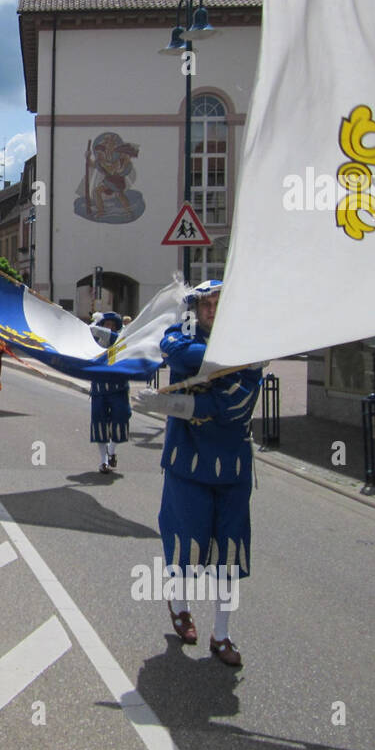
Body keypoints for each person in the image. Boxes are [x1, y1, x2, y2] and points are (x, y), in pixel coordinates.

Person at [134, 280, 262, 668]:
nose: (211, 311)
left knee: (230, 553)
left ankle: (221, 634)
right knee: (186, 545)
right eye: (206, 304)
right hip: (187, 464)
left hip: (232, 468)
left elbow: (236, 404)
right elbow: (177, 351)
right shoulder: (189, 338)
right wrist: (226, 361)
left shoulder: (249, 344)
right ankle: (179, 604)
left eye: (219, 304)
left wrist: (185, 403)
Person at [87, 312, 131, 472]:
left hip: (118, 388)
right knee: (100, 423)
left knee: (122, 417)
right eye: (107, 325)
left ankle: (111, 451)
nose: (110, 328)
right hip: (99, 389)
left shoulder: (120, 339)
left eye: (113, 325)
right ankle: (103, 460)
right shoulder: (95, 341)